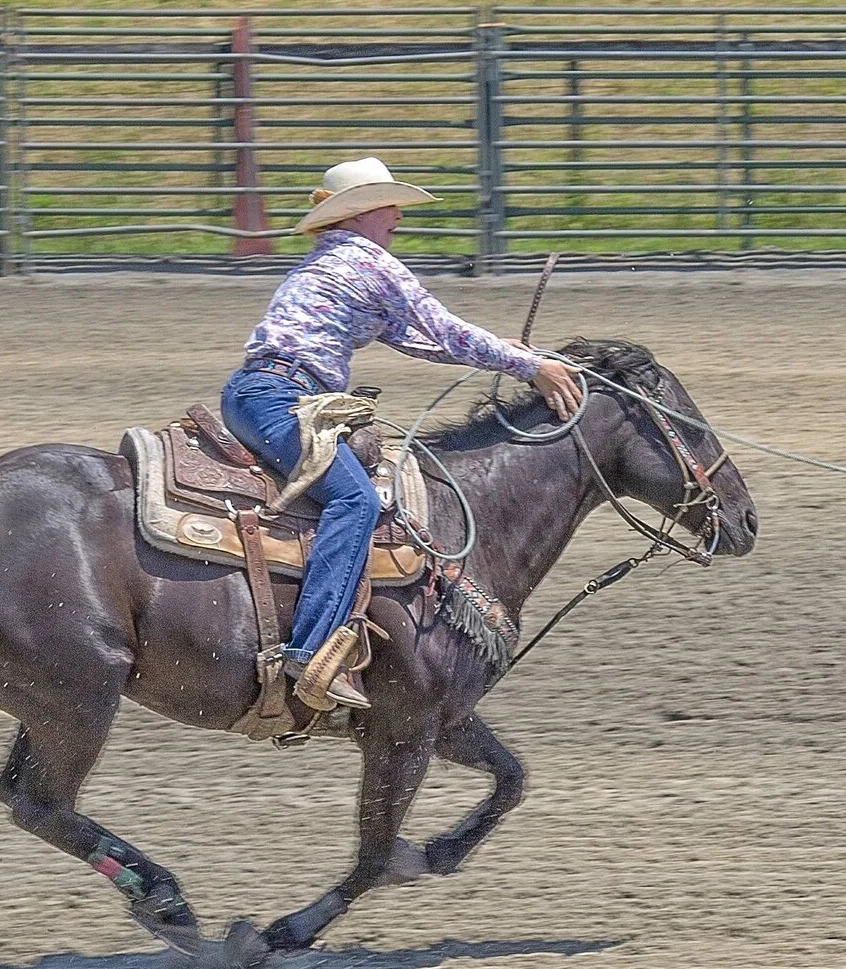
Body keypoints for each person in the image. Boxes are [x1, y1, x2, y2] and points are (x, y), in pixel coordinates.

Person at [223, 157, 583, 711]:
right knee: (356, 501)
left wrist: (508, 357)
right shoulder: (368, 261)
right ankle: (310, 650)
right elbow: (442, 325)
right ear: (363, 211)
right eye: (390, 206)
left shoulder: (336, 260)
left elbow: (417, 340)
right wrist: (525, 366)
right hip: (278, 397)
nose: (397, 217)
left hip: (262, 394)